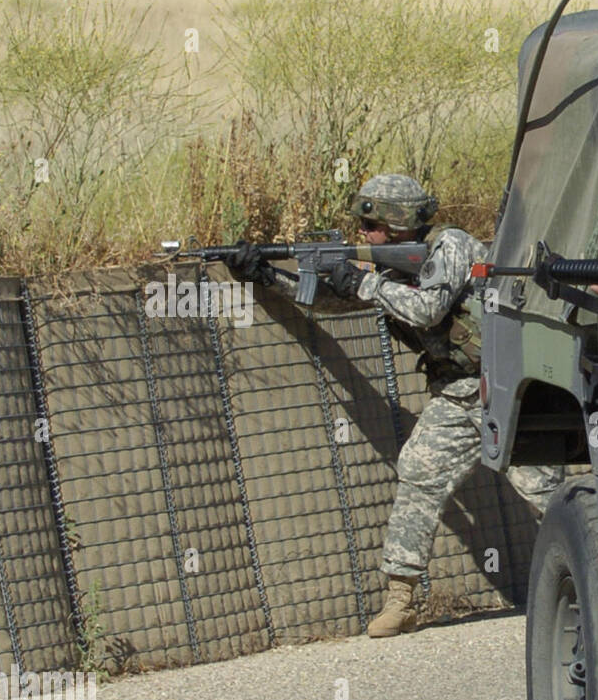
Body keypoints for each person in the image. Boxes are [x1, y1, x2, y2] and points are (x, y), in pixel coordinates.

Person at [228, 173, 563, 637]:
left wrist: (365, 284)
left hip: (509, 388)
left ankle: (593, 579)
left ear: (397, 221)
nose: (363, 234)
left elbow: (428, 308)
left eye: (371, 224)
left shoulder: (452, 246)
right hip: (456, 393)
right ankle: (401, 597)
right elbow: (332, 303)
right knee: (418, 477)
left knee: (544, 491)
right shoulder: (387, 270)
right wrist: (268, 276)